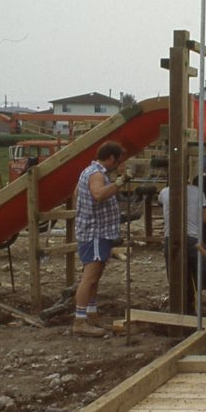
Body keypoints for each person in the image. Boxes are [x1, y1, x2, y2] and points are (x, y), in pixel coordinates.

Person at [73, 141, 131, 337]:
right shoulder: (97, 174)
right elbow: (98, 194)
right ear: (111, 158)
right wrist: (120, 182)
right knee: (89, 278)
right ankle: (80, 321)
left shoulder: (89, 172)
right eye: (117, 161)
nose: (117, 165)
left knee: (94, 278)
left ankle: (91, 314)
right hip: (95, 234)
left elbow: (77, 195)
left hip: (96, 232)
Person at [159, 176, 206, 312]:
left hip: (170, 240)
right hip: (193, 240)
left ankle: (183, 310)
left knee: (177, 277)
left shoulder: (164, 192)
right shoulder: (198, 191)